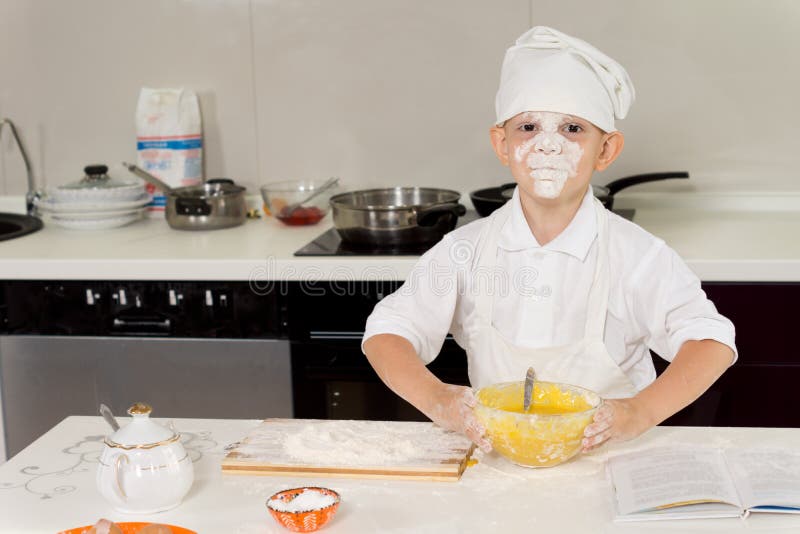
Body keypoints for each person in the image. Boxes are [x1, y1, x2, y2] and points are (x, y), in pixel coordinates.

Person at [361, 26, 736, 453]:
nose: (549, 146)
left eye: (572, 128)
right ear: (502, 144)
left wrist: (639, 412)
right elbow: (388, 332)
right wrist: (440, 402)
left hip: (613, 465)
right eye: (529, 127)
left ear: (606, 150)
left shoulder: (638, 255)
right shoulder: (463, 252)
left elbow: (711, 342)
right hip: (500, 468)